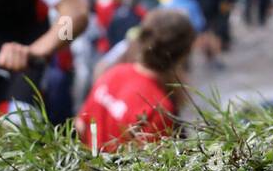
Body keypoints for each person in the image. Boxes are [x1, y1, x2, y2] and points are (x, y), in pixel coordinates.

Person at [75, 8, 195, 153]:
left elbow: (80, 125)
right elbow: (150, 169)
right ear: (183, 54)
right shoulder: (159, 109)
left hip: (92, 169)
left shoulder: (114, 72)